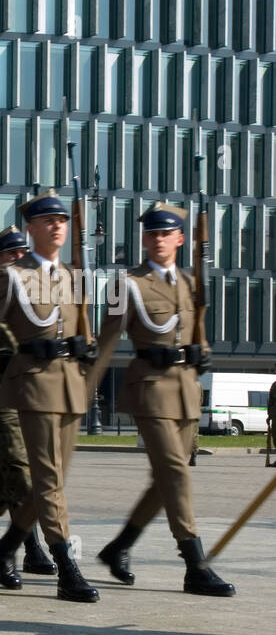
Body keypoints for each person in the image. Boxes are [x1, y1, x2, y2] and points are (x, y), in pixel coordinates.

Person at [88, 202, 234, 597]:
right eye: (151, 234)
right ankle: (195, 565)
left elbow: (196, 332)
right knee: (175, 474)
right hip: (149, 388)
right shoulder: (126, 284)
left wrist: (203, 350)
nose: (157, 240)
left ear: (180, 239)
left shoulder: (190, 283)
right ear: (144, 239)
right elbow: (106, 342)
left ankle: (118, 547)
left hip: (187, 391)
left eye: (165, 234)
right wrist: (82, 392)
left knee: (165, 481)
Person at [0, 188, 100, 602]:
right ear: (32, 228)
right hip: (32, 384)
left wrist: (84, 346)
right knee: (46, 479)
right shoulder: (13, 276)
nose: (56, 226)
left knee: (53, 478)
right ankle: (66, 568)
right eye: (47, 221)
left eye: (61, 221)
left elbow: (83, 330)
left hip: (69, 386)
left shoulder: (73, 275)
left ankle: (5, 548)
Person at [0, 225, 57, 584]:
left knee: (13, 470)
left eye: (22, 253)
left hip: (36, 389)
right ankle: (25, 549)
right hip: (3, 389)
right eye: (10, 255)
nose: (18, 259)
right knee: (19, 470)